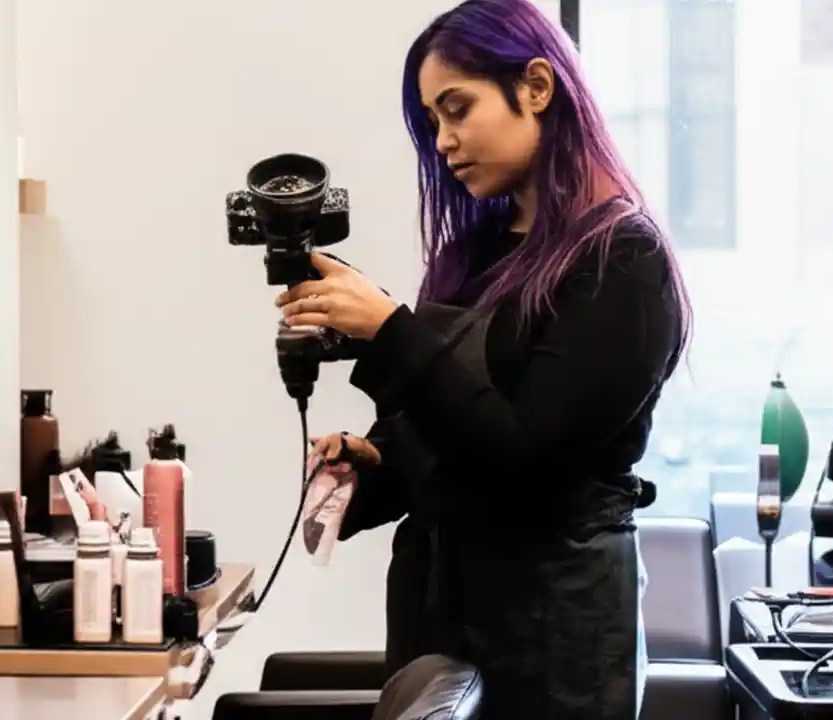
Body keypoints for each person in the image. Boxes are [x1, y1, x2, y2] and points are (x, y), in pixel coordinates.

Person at [275, 1, 691, 718]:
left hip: (554, 635)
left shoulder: (623, 262)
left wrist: (391, 331)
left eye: (457, 109)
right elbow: (448, 436)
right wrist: (372, 465)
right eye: (433, 121)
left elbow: (527, 455)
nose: (443, 140)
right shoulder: (474, 259)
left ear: (536, 86)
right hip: (440, 623)